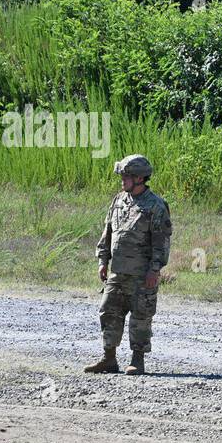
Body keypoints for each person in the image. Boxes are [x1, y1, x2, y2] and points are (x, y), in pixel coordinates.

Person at [84, 154, 172, 376]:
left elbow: (161, 242)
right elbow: (108, 232)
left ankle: (137, 360)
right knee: (108, 312)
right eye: (122, 176)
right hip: (118, 272)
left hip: (142, 275)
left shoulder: (156, 206)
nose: (122, 180)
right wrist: (103, 260)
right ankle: (109, 358)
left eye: (127, 176)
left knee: (141, 317)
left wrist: (155, 270)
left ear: (140, 178)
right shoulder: (119, 200)